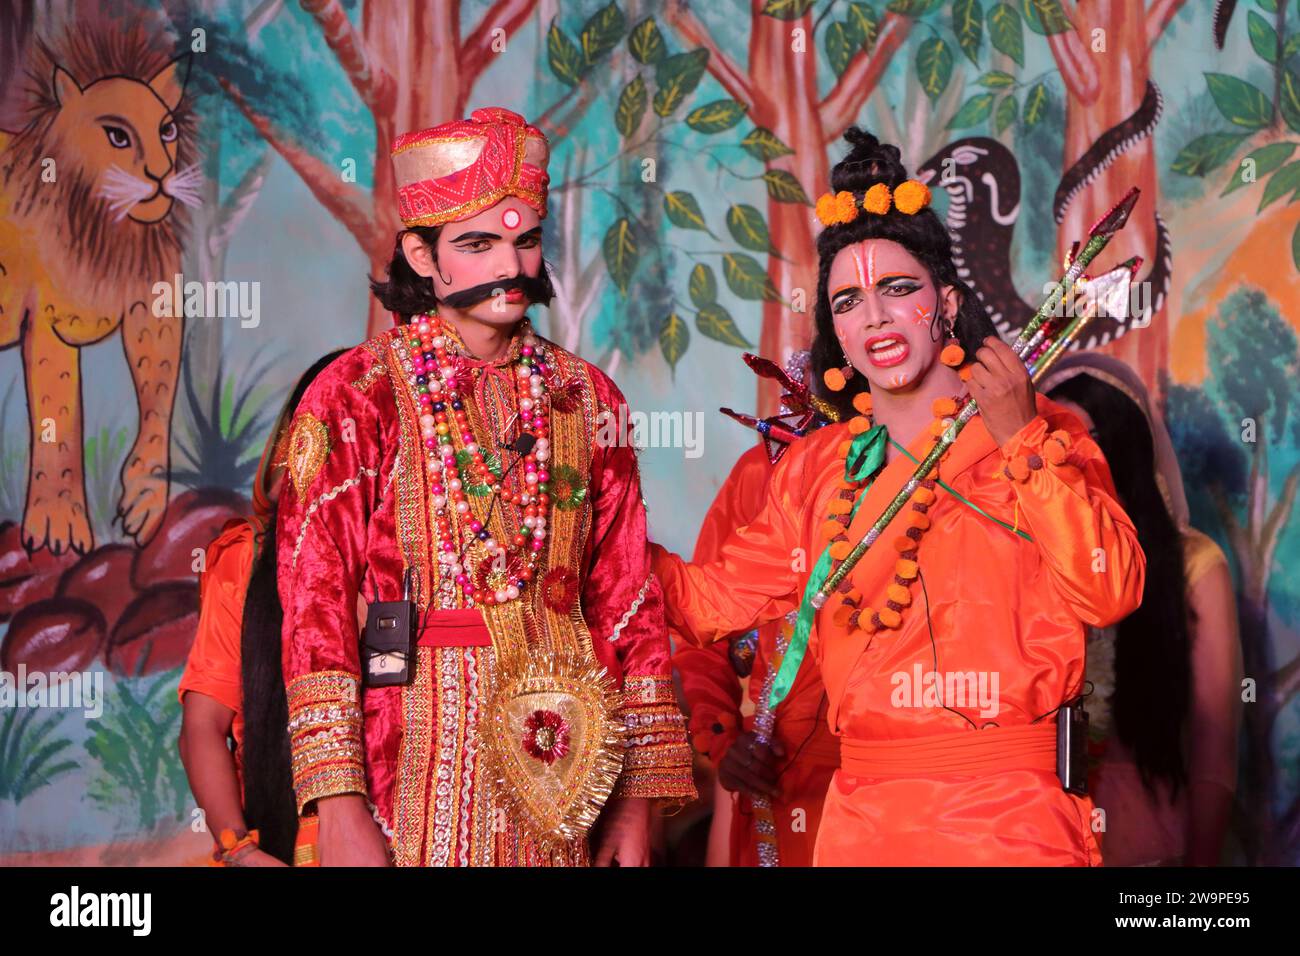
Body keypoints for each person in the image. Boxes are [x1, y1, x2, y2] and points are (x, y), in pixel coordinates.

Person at [652, 129, 1146, 866]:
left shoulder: (1048, 435)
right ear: (836, 333)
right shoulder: (817, 469)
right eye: (848, 300)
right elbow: (704, 605)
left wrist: (1020, 442)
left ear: (945, 303)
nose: (875, 316)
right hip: (863, 827)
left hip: (1012, 823)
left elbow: (1109, 590)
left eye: (898, 287)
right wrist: (594, 519)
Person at [276, 107, 694, 868]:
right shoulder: (355, 393)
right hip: (406, 761)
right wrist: (335, 799)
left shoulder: (586, 398)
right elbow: (315, 604)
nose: (510, 265)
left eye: (524, 241)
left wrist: (638, 801)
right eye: (478, 244)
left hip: (568, 763)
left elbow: (629, 600)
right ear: (420, 253)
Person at [1043, 353, 1241, 866]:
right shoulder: (1018, 559)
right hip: (1032, 830)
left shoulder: (1193, 564)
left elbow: (1212, 748)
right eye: (1054, 439)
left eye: (1087, 439)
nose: (1070, 457)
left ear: (1125, 449)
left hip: (1145, 839)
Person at [178, 350, 346, 866]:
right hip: (284, 842)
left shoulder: (426, 560)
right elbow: (202, 726)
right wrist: (241, 851)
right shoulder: (248, 558)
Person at [673, 354, 839, 866]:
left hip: (907, 777)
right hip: (781, 770)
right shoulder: (762, 472)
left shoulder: (930, 465)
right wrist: (722, 739)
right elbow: (704, 627)